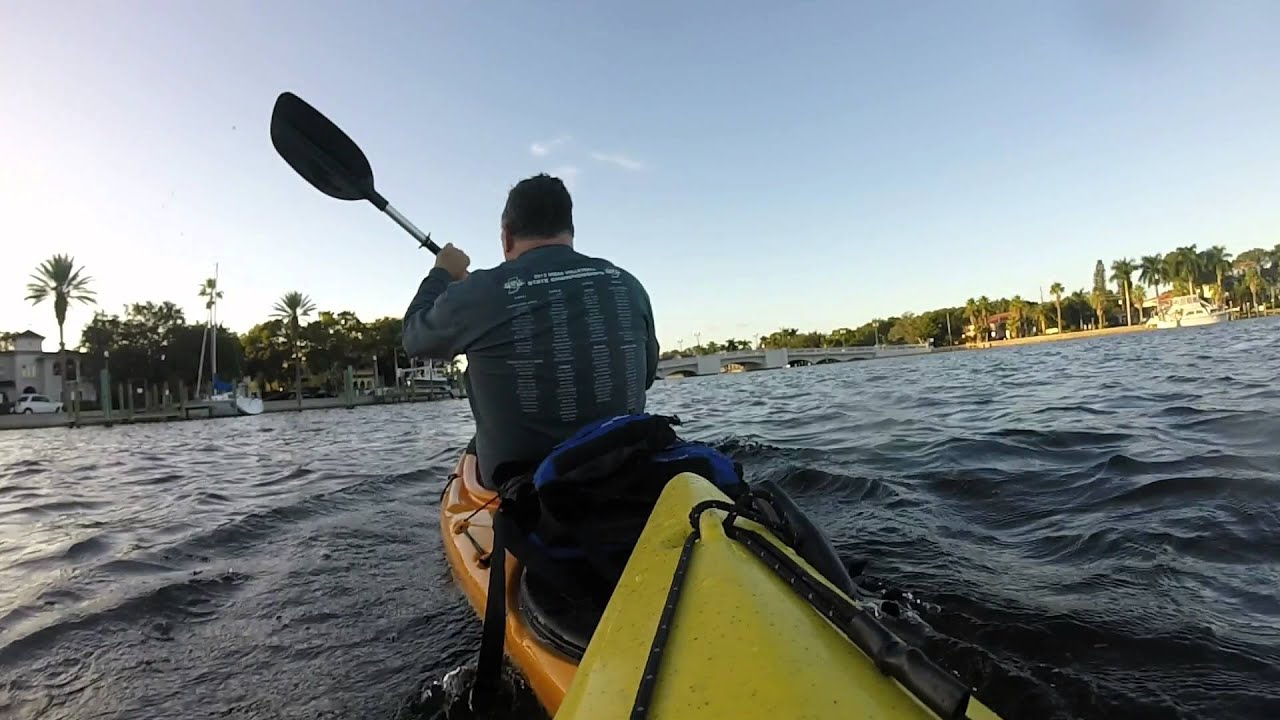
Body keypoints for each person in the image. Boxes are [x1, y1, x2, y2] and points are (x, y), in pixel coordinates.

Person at [402, 174, 660, 488]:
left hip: (524, 493)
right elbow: (646, 377)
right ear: (571, 231)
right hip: (628, 474)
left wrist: (442, 271)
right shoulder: (628, 284)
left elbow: (413, 338)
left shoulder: (478, 291)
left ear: (507, 235)